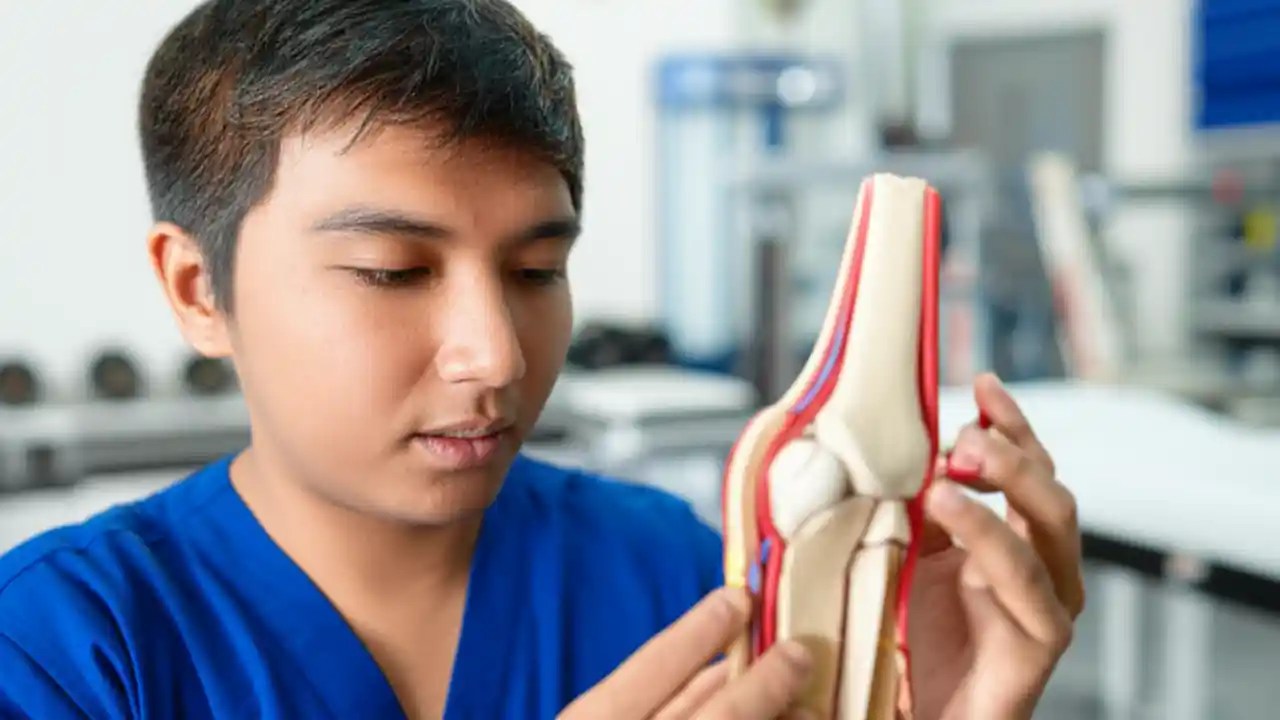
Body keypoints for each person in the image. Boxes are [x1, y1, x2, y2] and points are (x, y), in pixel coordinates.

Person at [0, 1, 1084, 718]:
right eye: (391, 270)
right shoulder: (65, 652)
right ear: (199, 290)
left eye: (533, 272)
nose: (495, 355)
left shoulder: (680, 578)